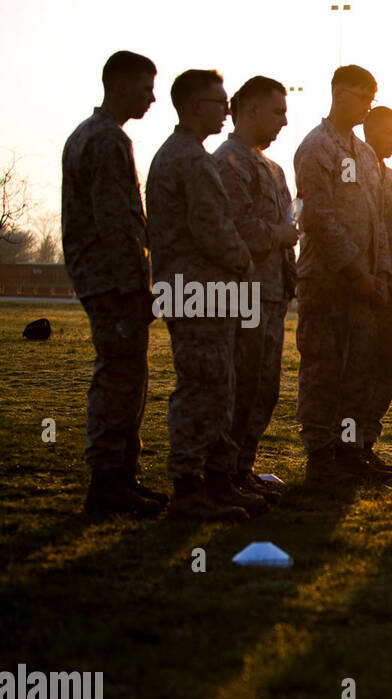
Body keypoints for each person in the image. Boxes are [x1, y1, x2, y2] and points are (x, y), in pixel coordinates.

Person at [146, 68, 261, 521]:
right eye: (220, 103)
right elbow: (214, 229)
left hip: (194, 288)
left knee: (217, 384)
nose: (227, 111)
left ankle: (214, 482)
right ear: (195, 106)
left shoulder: (180, 155)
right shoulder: (191, 159)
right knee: (203, 387)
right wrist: (245, 263)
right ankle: (190, 487)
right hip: (199, 290)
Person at [61, 50, 167, 518]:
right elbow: (114, 223)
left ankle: (122, 478)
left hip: (105, 278)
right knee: (120, 378)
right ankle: (108, 482)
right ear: (120, 85)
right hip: (113, 282)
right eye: (145, 87)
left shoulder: (96, 135)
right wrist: (135, 286)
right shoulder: (106, 140)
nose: (152, 97)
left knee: (127, 375)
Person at [294, 64, 392, 486]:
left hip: (365, 285)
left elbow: (377, 220)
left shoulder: (365, 154)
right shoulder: (317, 148)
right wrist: (355, 271)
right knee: (324, 370)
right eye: (363, 96)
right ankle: (320, 456)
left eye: (372, 97)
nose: (369, 105)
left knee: (358, 375)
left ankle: (349, 451)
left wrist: (381, 272)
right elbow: (318, 217)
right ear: (339, 94)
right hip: (328, 282)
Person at [212, 75, 298, 503]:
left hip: (272, 296)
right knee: (239, 390)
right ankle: (222, 476)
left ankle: (241, 469)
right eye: (278, 111)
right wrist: (279, 235)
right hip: (243, 296)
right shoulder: (229, 161)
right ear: (251, 111)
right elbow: (233, 228)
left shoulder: (271, 166)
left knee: (263, 390)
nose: (285, 121)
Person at [359, 106, 392, 477]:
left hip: (391, 289)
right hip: (357, 286)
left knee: (383, 370)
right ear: (367, 130)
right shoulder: (351, 171)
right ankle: (344, 449)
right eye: (388, 132)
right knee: (354, 371)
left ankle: (365, 444)